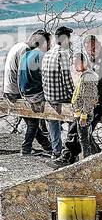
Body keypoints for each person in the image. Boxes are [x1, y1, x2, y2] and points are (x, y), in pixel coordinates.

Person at [13, 31, 52, 155]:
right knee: (36, 121)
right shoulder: (41, 56)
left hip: (24, 93)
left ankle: (42, 145)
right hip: (35, 95)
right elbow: (46, 78)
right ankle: (26, 148)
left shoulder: (26, 54)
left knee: (33, 121)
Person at [41, 26, 75, 160]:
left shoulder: (47, 54)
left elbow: (43, 77)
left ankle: (56, 151)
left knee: (53, 124)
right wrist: (74, 95)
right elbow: (66, 79)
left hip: (49, 97)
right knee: (77, 120)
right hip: (61, 98)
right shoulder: (63, 54)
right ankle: (69, 151)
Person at [68, 34, 102, 159]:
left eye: (76, 63)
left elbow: (89, 98)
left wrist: (83, 115)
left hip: (85, 114)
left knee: (84, 141)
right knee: (87, 138)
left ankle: (87, 161)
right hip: (81, 113)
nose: (74, 66)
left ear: (83, 62)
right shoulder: (85, 75)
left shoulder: (88, 76)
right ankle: (98, 157)